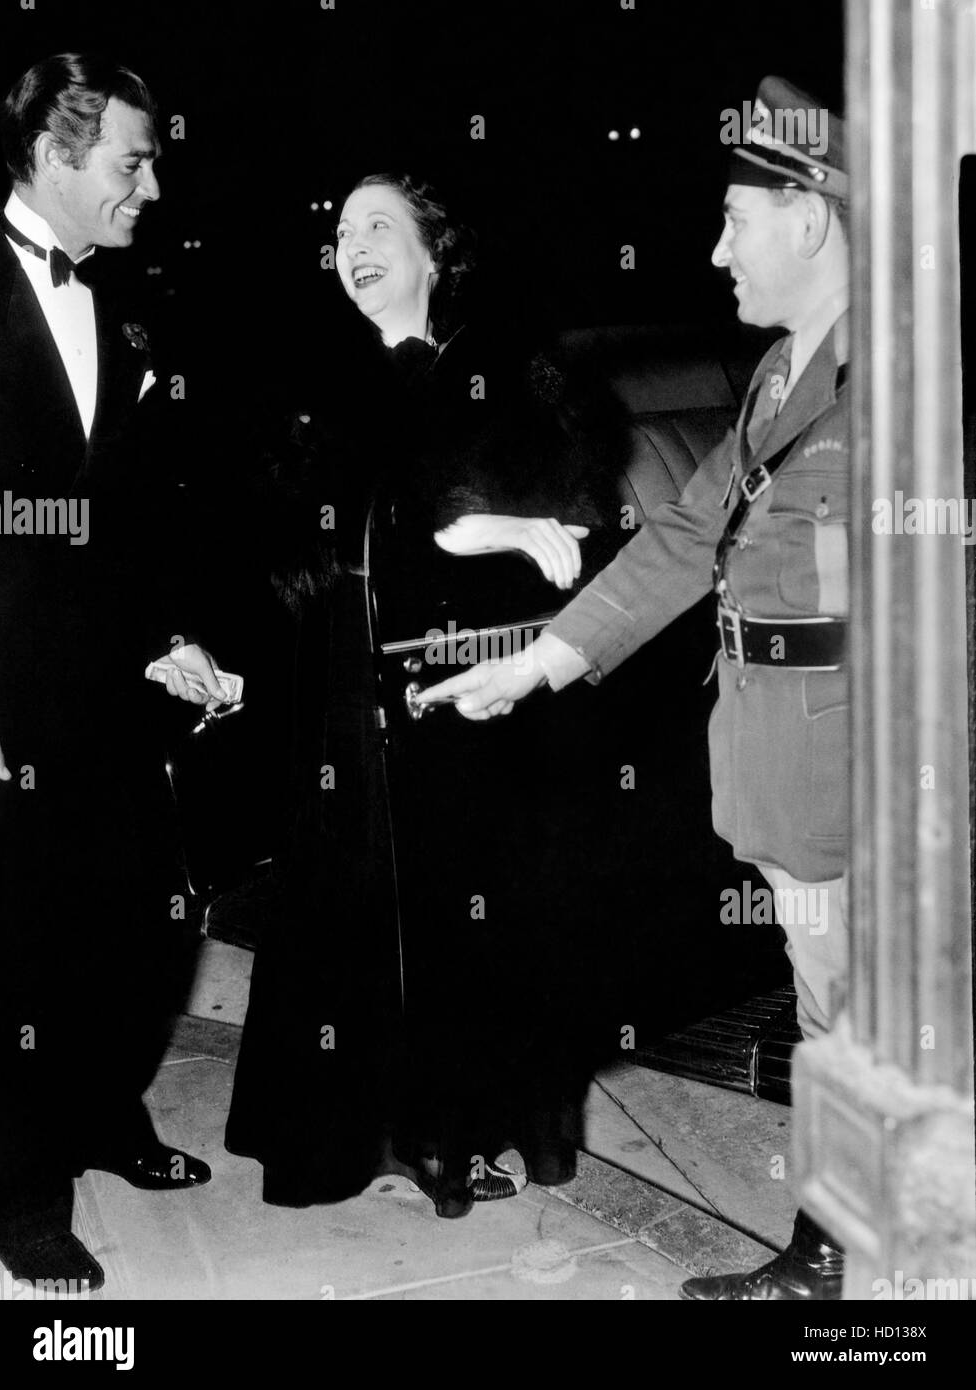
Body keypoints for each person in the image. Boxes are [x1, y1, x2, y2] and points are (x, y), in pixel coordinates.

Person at [423, 77, 852, 1298]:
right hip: (787, 762)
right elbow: (679, 537)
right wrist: (533, 665)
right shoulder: (782, 376)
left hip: (862, 779)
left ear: (810, 219)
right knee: (843, 1021)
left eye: (735, 219)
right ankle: (844, 1253)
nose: (715, 250)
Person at [225, 172, 623, 1217]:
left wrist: (506, 523)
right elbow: (311, 527)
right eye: (341, 229)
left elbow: (578, 501)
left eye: (378, 225)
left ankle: (483, 1119)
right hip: (357, 707)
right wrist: (455, 523)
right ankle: (405, 1134)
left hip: (483, 702)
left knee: (481, 916)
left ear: (435, 253)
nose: (352, 243)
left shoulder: (506, 368)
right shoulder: (317, 379)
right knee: (375, 916)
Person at [0, 53, 231, 1291]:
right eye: (134, 159)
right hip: (1, 685)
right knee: (12, 941)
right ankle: (17, 1191)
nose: (153, 181)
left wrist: (173, 635)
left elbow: (142, 509)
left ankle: (100, 1115)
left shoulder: (134, 306)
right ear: (55, 154)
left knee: (133, 920)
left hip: (114, 684)